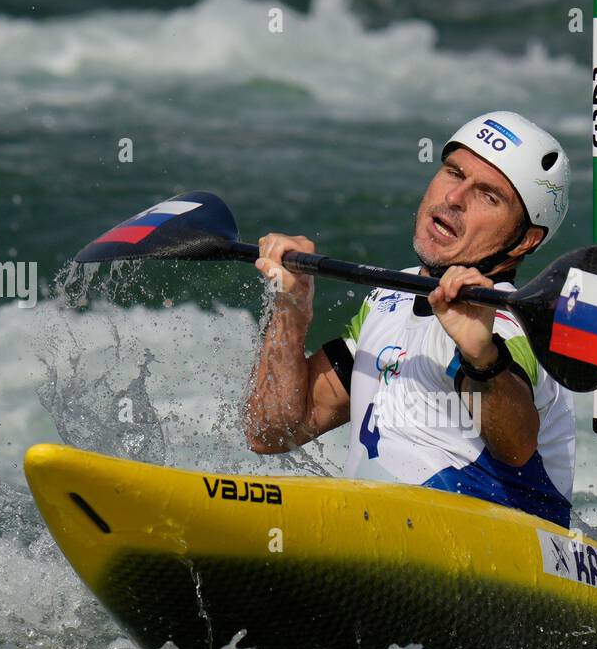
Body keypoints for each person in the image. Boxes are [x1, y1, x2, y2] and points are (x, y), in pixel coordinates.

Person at [244, 111, 576, 527]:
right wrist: (291, 308)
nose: (455, 198)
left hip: (496, 559)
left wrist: (482, 357)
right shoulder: (388, 297)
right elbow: (271, 433)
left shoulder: (514, 324)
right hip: (376, 539)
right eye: (454, 173)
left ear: (524, 240)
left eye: (489, 196)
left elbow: (515, 447)